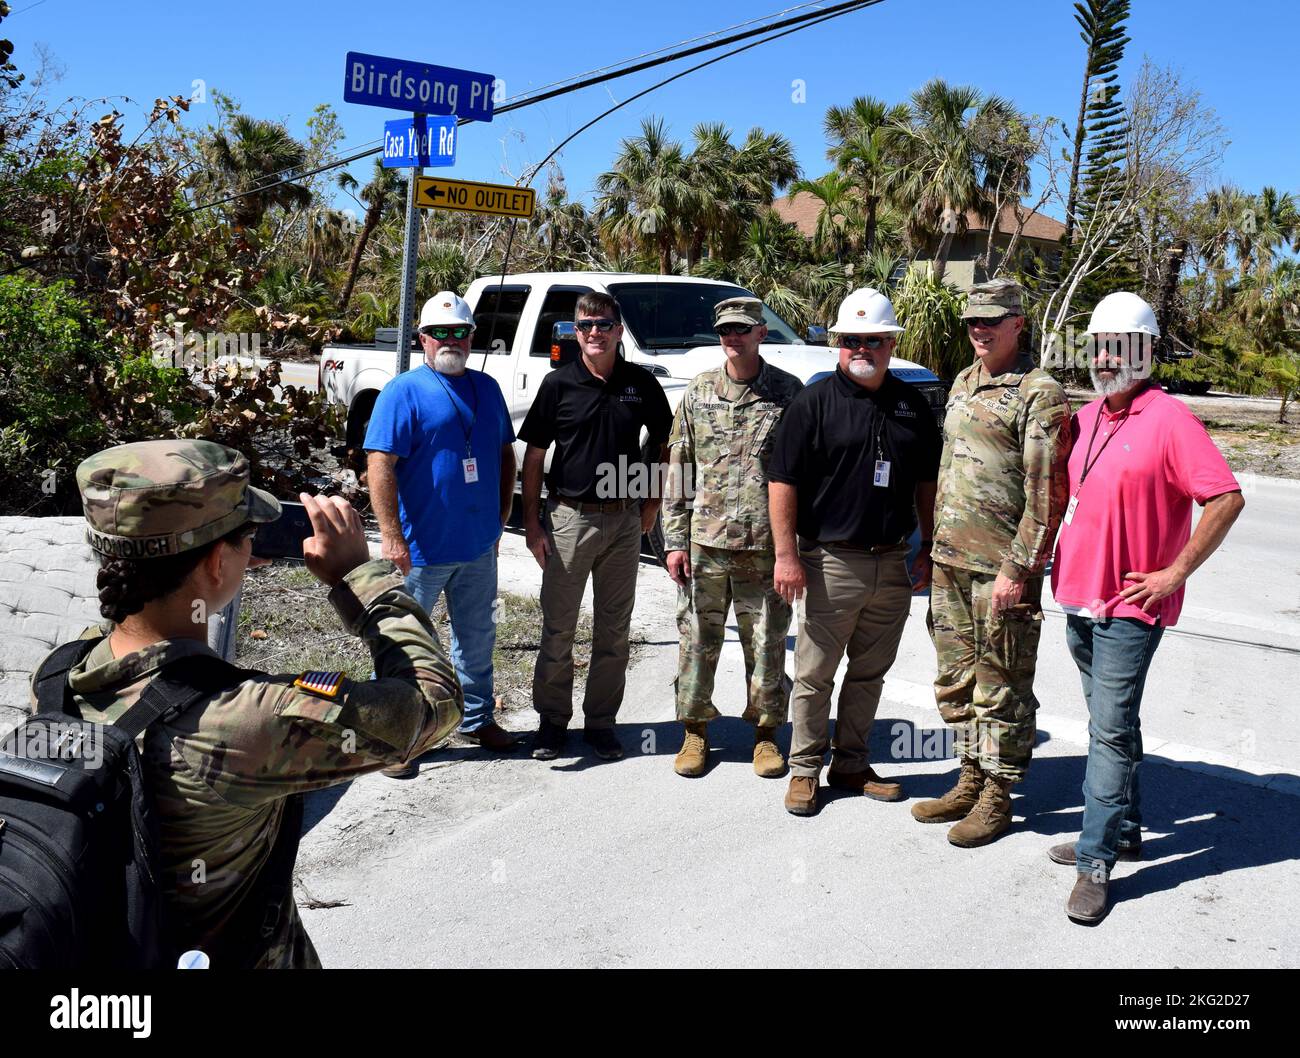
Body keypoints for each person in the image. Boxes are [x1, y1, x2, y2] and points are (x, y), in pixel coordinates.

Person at [34, 438, 463, 967]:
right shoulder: (249, 719)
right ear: (216, 563)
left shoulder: (59, 675)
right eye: (245, 537)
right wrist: (360, 578)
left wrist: (215, 560)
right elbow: (434, 702)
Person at [1048, 292, 1244, 923]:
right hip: (1078, 601)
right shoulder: (1085, 418)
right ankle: (1126, 828)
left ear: (1147, 351)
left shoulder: (1170, 419)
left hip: (1130, 609)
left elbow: (1225, 499)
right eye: (1100, 347)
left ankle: (1094, 862)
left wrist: (1174, 572)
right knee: (1117, 725)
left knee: (1105, 733)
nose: (1107, 359)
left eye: (1121, 347)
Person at [768, 287, 940, 817]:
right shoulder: (813, 402)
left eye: (873, 339)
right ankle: (803, 769)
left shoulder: (910, 406)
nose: (861, 348)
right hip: (829, 563)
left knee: (869, 672)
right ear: (836, 343)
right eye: (850, 340)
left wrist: (928, 546)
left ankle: (851, 762)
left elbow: (927, 483)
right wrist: (786, 556)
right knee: (816, 672)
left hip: (892, 561)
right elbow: (782, 480)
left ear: (890, 343)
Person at [911, 279, 1071, 846]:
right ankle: (970, 778)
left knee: (1001, 684)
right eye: (973, 321)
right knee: (956, 681)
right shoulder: (963, 381)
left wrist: (1018, 570)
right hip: (951, 561)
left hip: (1001, 570)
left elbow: (1047, 495)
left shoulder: (1039, 393)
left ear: (1017, 324)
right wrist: (930, 552)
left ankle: (999, 798)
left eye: (991, 321)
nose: (980, 330)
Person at [365, 291, 518, 773]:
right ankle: (396, 739)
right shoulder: (401, 391)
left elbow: (506, 454)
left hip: (476, 547)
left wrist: (500, 518)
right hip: (420, 551)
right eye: (440, 333)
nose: (450, 341)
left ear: (472, 337)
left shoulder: (488, 388)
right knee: (405, 646)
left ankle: (476, 718)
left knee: (476, 638)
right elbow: (380, 464)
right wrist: (391, 536)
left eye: (459, 332)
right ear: (423, 339)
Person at [518, 291, 673, 761]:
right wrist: (532, 523)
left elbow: (664, 440)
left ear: (618, 330)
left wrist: (651, 502)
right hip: (569, 519)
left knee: (614, 631)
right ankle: (552, 724)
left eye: (603, 325)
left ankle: (601, 724)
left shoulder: (640, 383)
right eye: (585, 326)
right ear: (575, 331)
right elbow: (535, 456)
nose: (594, 333)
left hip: (624, 520)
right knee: (558, 628)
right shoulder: (558, 384)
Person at [663, 296, 803, 779]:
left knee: (766, 643)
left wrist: (796, 549)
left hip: (765, 547)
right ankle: (695, 730)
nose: (733, 337)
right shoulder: (698, 392)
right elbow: (678, 469)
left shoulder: (789, 393)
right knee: (697, 641)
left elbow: (804, 473)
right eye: (725, 329)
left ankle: (765, 735)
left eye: (742, 329)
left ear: (761, 333)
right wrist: (674, 539)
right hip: (705, 543)